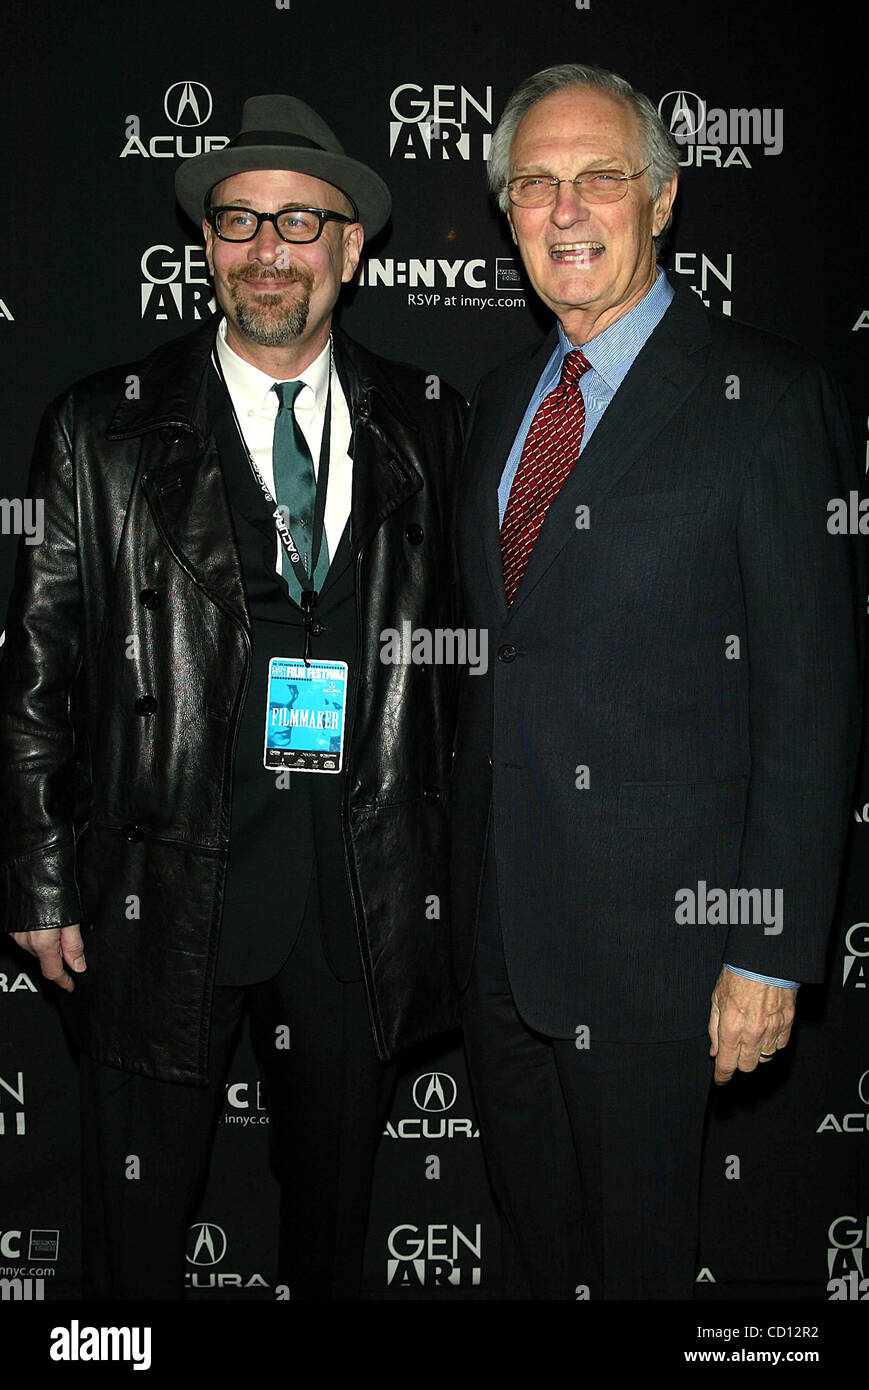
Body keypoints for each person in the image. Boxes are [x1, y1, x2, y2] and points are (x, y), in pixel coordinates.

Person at [0, 94, 465, 1300]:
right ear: (206, 244)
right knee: (134, 1244)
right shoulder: (99, 429)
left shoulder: (429, 424)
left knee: (332, 1230)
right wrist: (45, 875)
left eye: (300, 223)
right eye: (239, 220)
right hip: (162, 889)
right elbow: (37, 669)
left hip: (355, 897)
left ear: (350, 248)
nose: (269, 249)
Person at [450, 63, 863, 1299]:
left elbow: (812, 695)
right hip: (494, 939)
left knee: (636, 1270)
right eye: (535, 184)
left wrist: (770, 948)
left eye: (597, 180)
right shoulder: (496, 401)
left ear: (663, 198)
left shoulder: (767, 400)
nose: (565, 211)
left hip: (660, 952)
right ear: (506, 212)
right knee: (535, 1257)